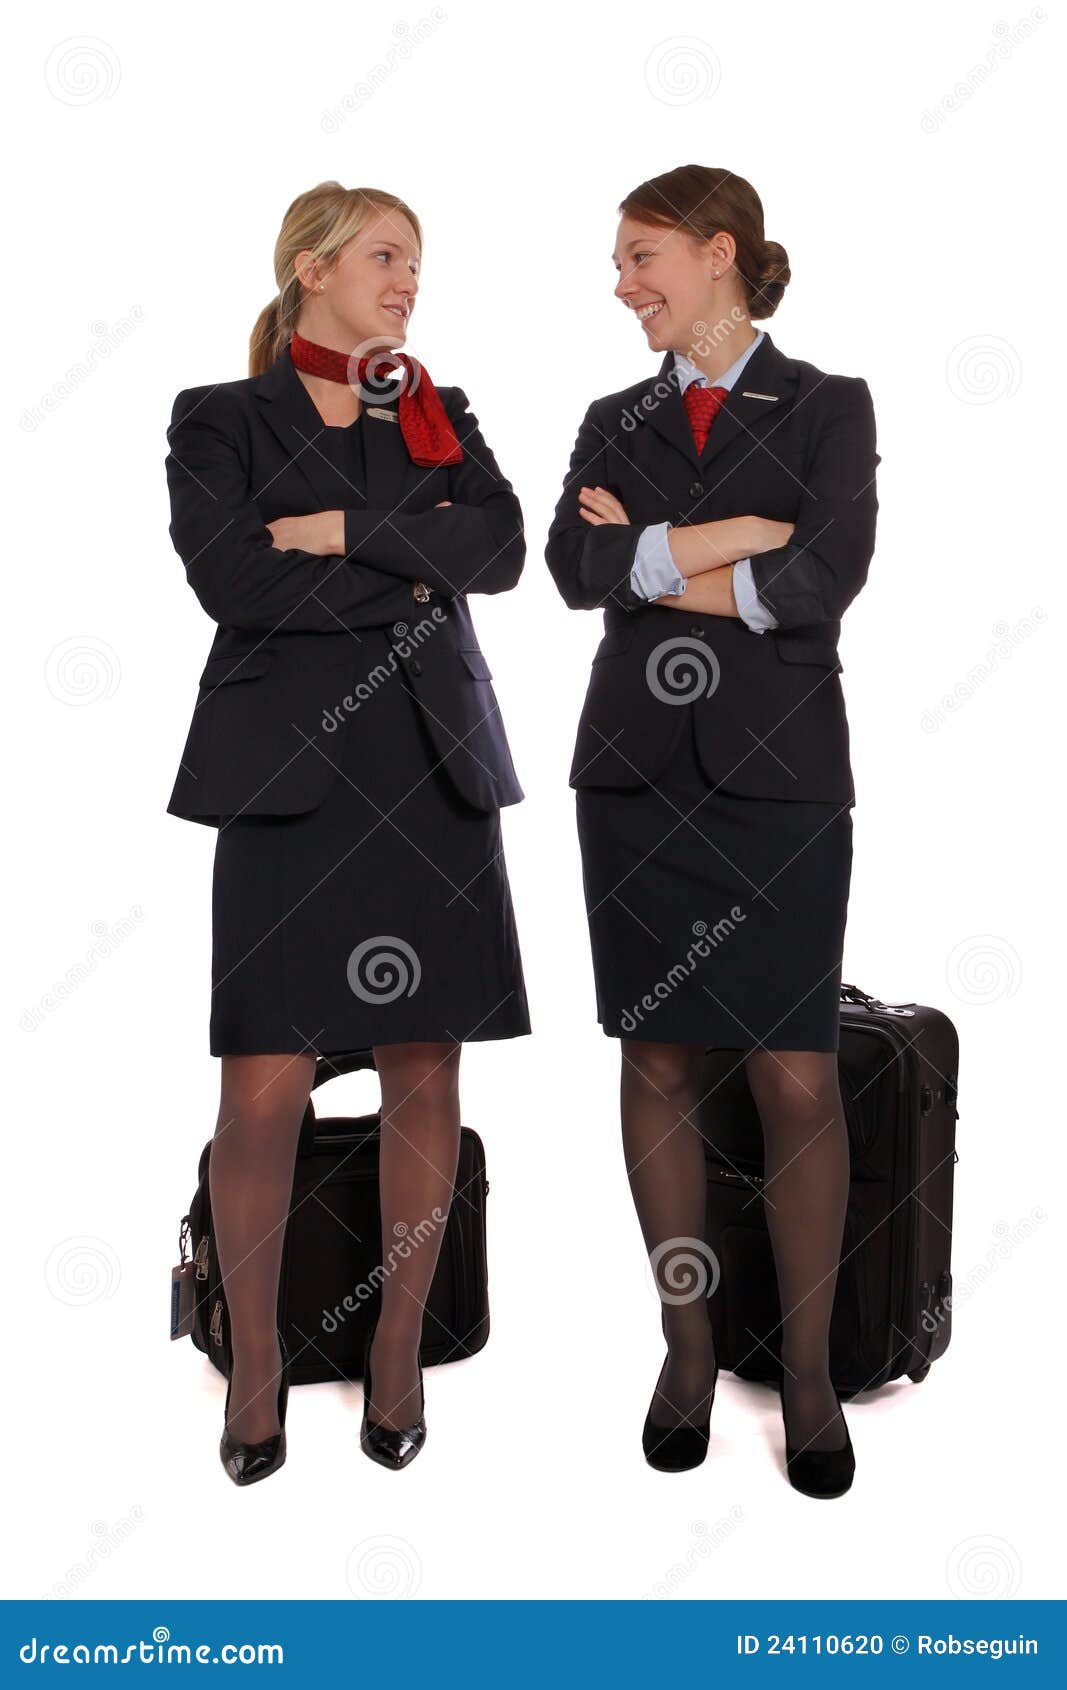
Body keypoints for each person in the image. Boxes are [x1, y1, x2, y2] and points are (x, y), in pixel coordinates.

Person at [165, 180, 529, 1484]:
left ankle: (395, 1348)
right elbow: (233, 579)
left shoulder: (433, 409)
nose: (407, 281)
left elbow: (498, 549)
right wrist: (405, 563)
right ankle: (255, 1362)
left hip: (428, 767)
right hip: (287, 779)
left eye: (416, 263)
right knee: (262, 1084)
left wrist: (341, 531)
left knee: (423, 1062)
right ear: (312, 266)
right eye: (385, 254)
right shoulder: (220, 420)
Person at [545, 164, 879, 1498]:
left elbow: (827, 572)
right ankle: (689, 1355)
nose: (621, 284)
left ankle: (805, 1373)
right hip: (634, 779)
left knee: (795, 1069)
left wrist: (659, 558)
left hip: (779, 778)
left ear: (718, 252)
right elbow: (575, 572)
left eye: (642, 258)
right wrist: (735, 542)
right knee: (663, 1056)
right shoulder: (610, 415)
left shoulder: (829, 407)